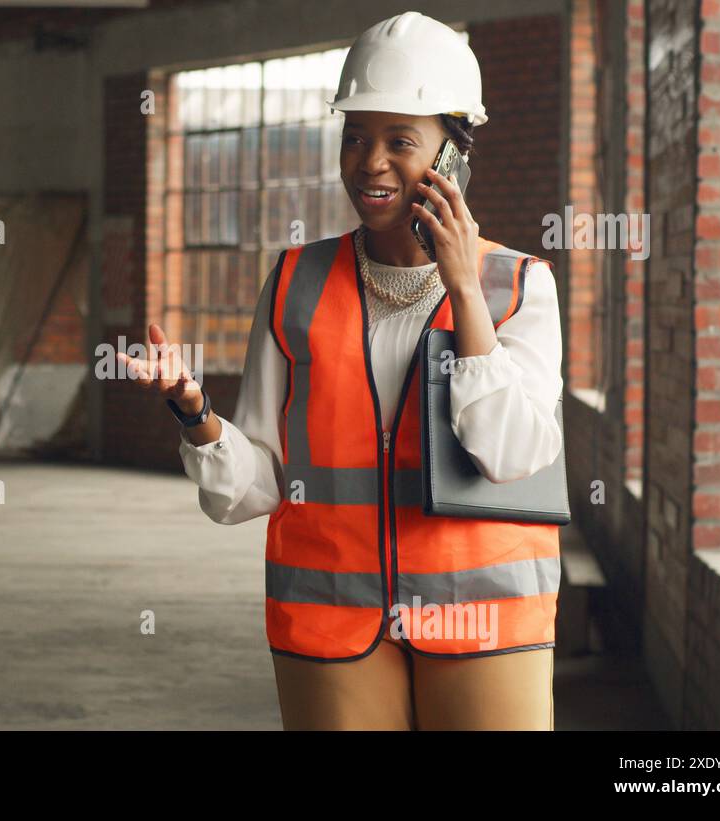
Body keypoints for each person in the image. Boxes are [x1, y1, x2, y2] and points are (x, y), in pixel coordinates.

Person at [118, 11, 564, 730]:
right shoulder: (296, 282)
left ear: (453, 155)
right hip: (330, 622)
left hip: (483, 619)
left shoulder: (519, 287)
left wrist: (464, 288)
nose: (369, 162)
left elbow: (509, 452)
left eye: (400, 141)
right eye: (354, 136)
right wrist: (193, 408)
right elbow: (254, 485)